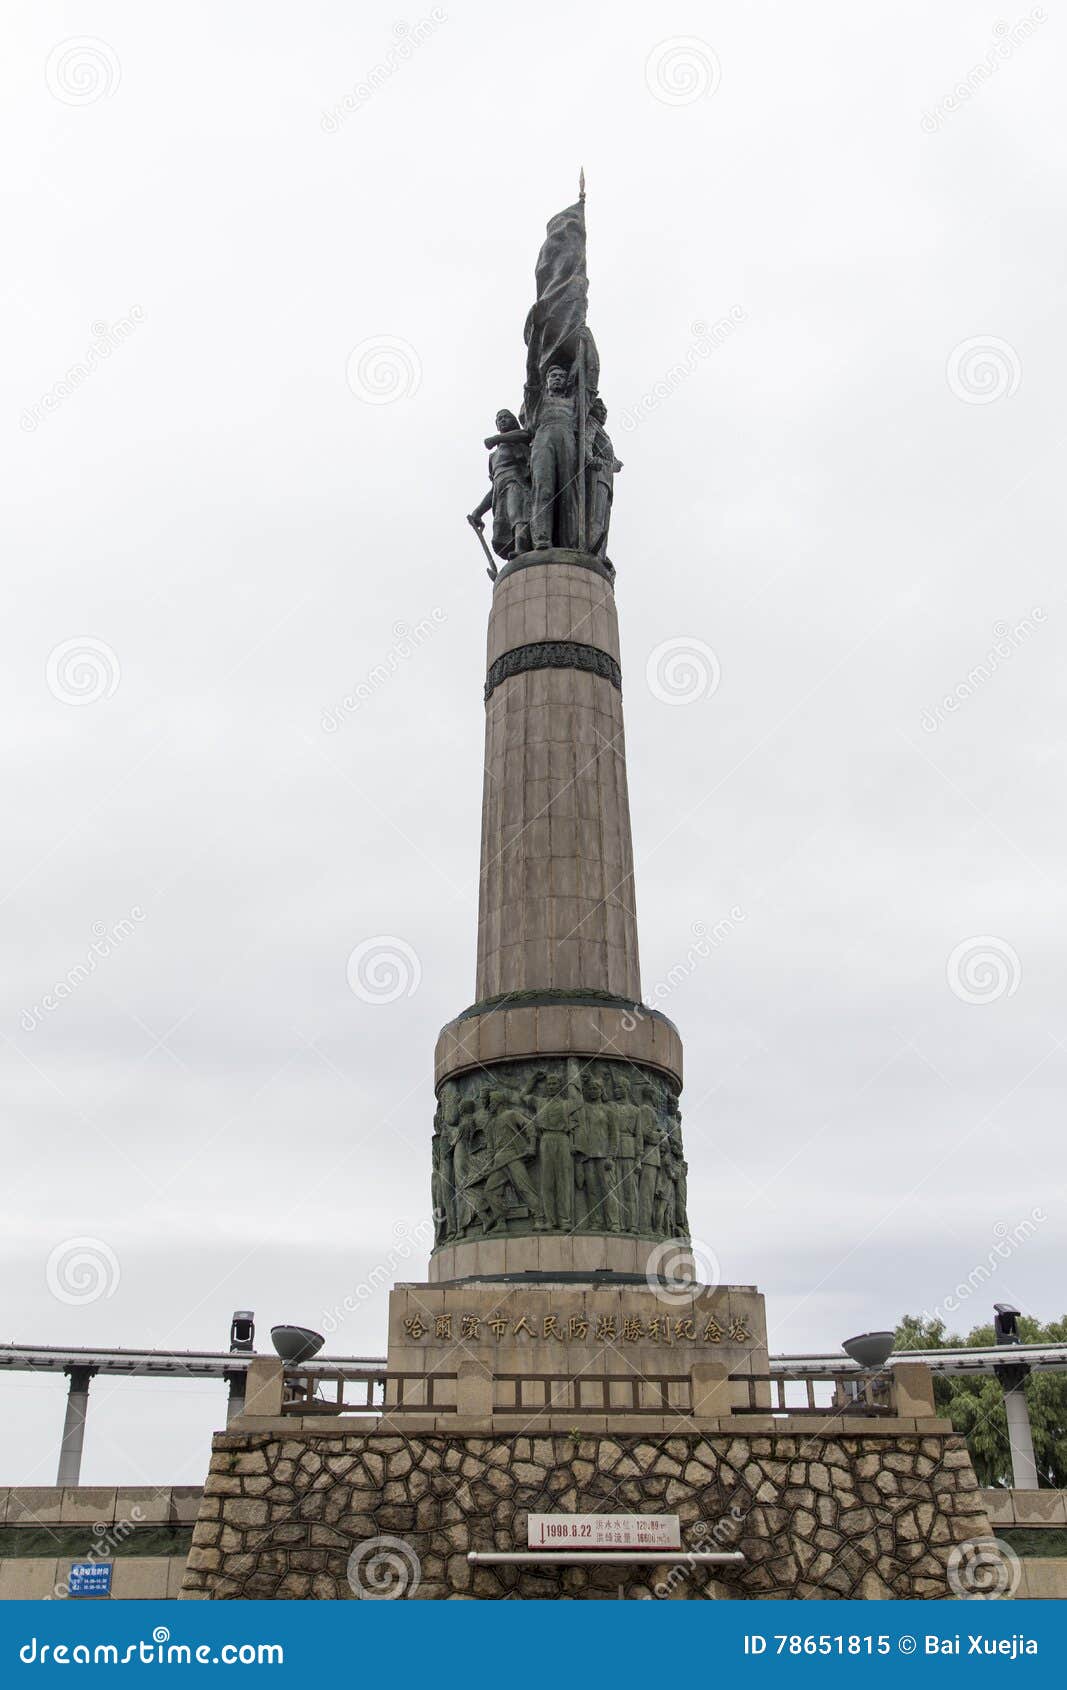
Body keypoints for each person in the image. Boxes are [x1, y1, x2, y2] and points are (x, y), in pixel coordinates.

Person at [469, 408, 531, 563]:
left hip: (516, 482)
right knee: (502, 525)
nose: (502, 420)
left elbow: (526, 434)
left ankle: (521, 548)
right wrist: (478, 511)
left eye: (506, 417)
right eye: (499, 419)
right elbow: (493, 488)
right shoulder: (493, 457)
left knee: (517, 515)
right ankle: (514, 553)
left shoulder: (518, 443)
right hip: (499, 490)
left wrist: (496, 439)